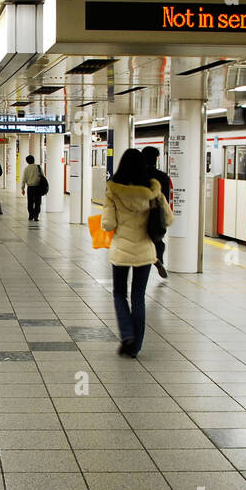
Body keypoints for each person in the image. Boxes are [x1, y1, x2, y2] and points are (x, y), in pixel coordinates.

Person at [101, 149, 170, 358]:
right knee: (138, 297)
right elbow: (167, 219)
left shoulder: (113, 191)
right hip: (144, 251)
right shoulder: (153, 190)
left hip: (121, 250)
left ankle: (127, 334)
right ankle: (136, 346)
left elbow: (108, 223)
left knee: (120, 294)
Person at [144, 146, 172, 278]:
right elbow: (165, 198)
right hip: (156, 216)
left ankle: (153, 260)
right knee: (157, 240)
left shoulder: (137, 176)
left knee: (142, 242)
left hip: (139, 215)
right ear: (156, 159)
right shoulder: (162, 177)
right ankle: (157, 257)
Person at [21, 154, 44, 221]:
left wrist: (22, 189)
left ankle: (31, 215)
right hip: (38, 187)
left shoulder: (26, 169)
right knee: (38, 202)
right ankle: (36, 215)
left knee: (30, 202)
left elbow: (24, 179)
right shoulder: (38, 167)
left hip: (30, 188)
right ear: (33, 160)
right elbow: (43, 176)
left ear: (27, 161)